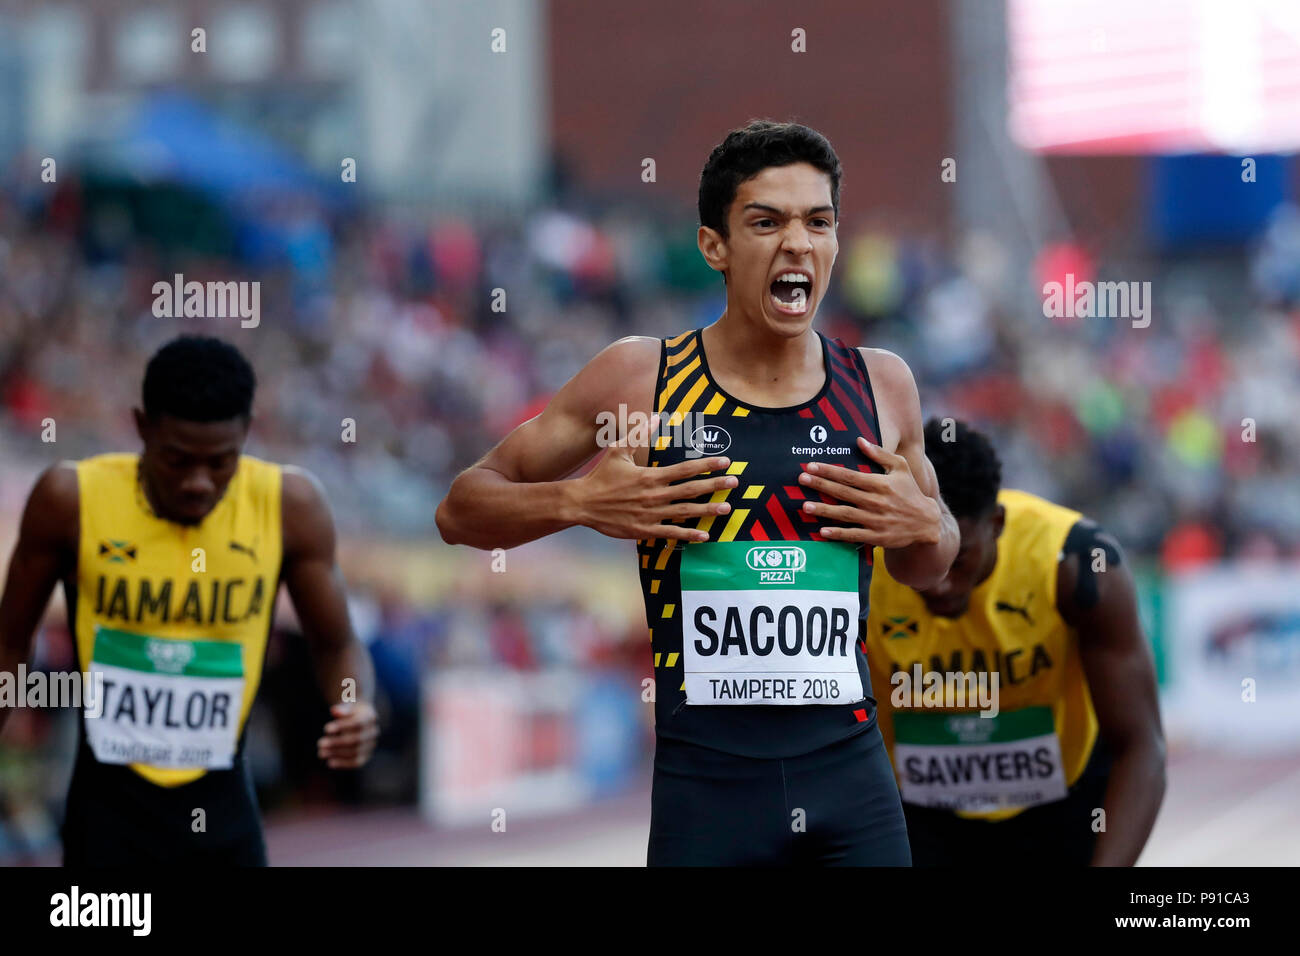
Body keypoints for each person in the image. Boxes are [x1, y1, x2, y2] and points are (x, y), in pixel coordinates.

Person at [436, 120, 958, 865]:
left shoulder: (884, 385)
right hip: (708, 790)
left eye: (819, 222)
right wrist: (581, 504)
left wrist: (926, 523)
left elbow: (929, 565)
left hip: (850, 781)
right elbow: (459, 510)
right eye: (765, 222)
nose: (798, 245)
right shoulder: (641, 381)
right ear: (714, 245)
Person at [0, 335, 378, 865]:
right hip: (105, 825)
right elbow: (10, 643)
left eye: (222, 462)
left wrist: (353, 702)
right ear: (141, 427)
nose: (199, 483)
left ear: (247, 434)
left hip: (224, 825)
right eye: (177, 460)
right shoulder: (72, 500)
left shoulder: (289, 506)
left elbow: (336, 644)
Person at [866, 418, 1166, 865]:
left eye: (958, 559)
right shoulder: (862, 564)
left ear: (997, 524)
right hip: (916, 813)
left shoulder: (1075, 563)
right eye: (919, 556)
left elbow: (1140, 747)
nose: (938, 585)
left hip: (1059, 809)